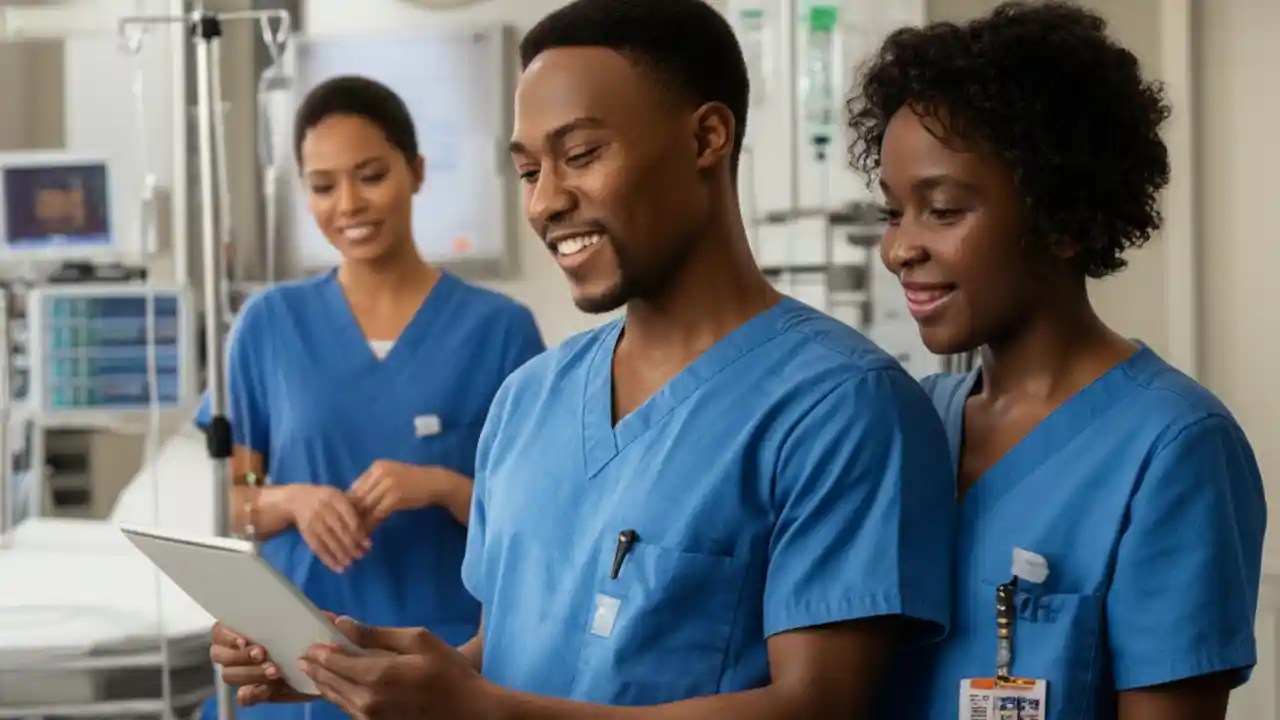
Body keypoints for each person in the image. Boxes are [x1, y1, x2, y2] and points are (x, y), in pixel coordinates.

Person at [209, 1, 955, 718]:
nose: (544, 202)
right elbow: (503, 659)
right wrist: (348, 660)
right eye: (531, 170)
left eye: (582, 155)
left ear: (706, 139)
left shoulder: (840, 408)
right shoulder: (530, 401)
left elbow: (814, 707)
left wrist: (489, 714)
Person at [845, 3, 1267, 719]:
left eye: (943, 210)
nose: (899, 249)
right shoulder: (904, 425)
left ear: (1063, 218)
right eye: (893, 212)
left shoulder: (1172, 448)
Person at [197, 75, 545, 720]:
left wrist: (442, 486)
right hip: (292, 672)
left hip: (439, 672)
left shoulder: (499, 332)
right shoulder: (268, 327)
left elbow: (539, 526)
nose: (348, 204)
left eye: (371, 175)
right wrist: (287, 499)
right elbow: (237, 493)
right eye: (323, 186)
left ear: (414, 171)